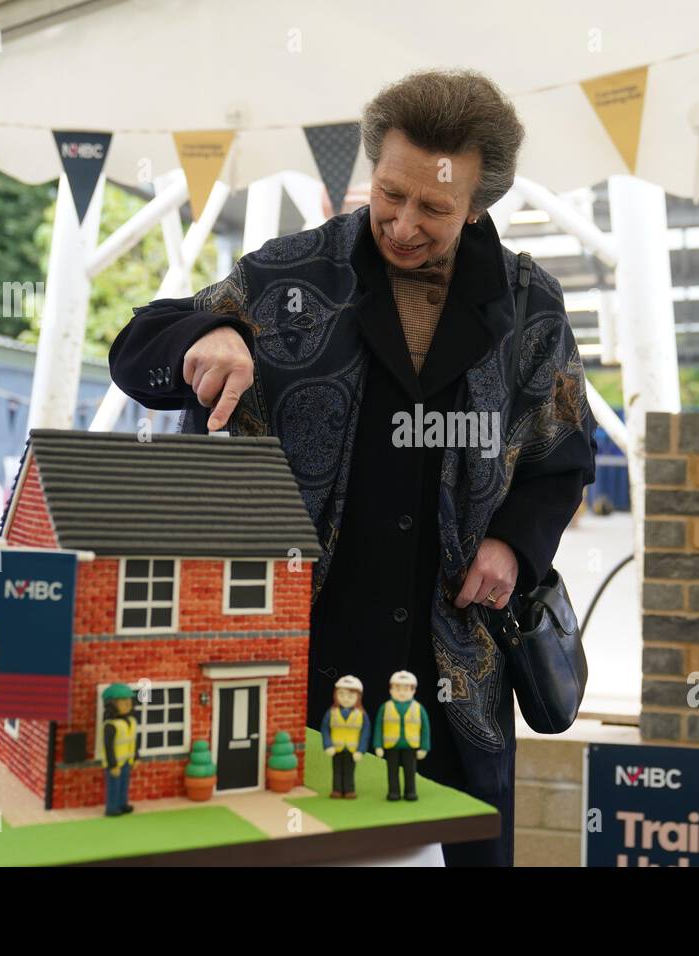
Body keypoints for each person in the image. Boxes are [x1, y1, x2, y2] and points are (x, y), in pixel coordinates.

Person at [109, 69, 596, 865]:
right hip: (292, 664)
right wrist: (209, 337)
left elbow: (563, 454)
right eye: (389, 194)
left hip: (448, 676)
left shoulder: (528, 307)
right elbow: (139, 341)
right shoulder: (288, 275)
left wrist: (511, 545)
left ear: (478, 206)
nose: (403, 225)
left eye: (434, 208)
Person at [372, 671, 429, 801]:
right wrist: (378, 745)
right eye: (398, 688)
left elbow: (425, 730)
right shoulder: (385, 708)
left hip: (411, 746)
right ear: (391, 689)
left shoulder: (418, 708)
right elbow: (378, 728)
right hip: (391, 746)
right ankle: (393, 792)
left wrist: (424, 747)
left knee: (410, 770)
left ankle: (410, 791)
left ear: (413, 690)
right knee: (392, 771)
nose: (402, 693)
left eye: (406, 689)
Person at [321, 674, 370, 798]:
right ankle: (337, 789)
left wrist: (361, 750)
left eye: (350, 696)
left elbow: (365, 732)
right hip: (335, 747)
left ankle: (349, 790)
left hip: (352, 749)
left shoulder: (361, 714)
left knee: (350, 770)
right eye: (341, 695)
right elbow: (325, 728)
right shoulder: (331, 712)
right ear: (335, 695)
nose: (346, 699)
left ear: (358, 697)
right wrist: (328, 745)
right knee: (336, 769)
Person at [101, 683, 138, 816]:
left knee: (124, 784)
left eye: (129, 699)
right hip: (115, 764)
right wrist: (112, 765)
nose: (128, 703)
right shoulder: (110, 726)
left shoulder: (131, 721)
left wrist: (136, 757)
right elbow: (108, 747)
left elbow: (134, 741)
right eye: (123, 701)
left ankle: (123, 804)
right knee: (114, 785)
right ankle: (111, 807)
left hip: (127, 761)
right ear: (111, 704)